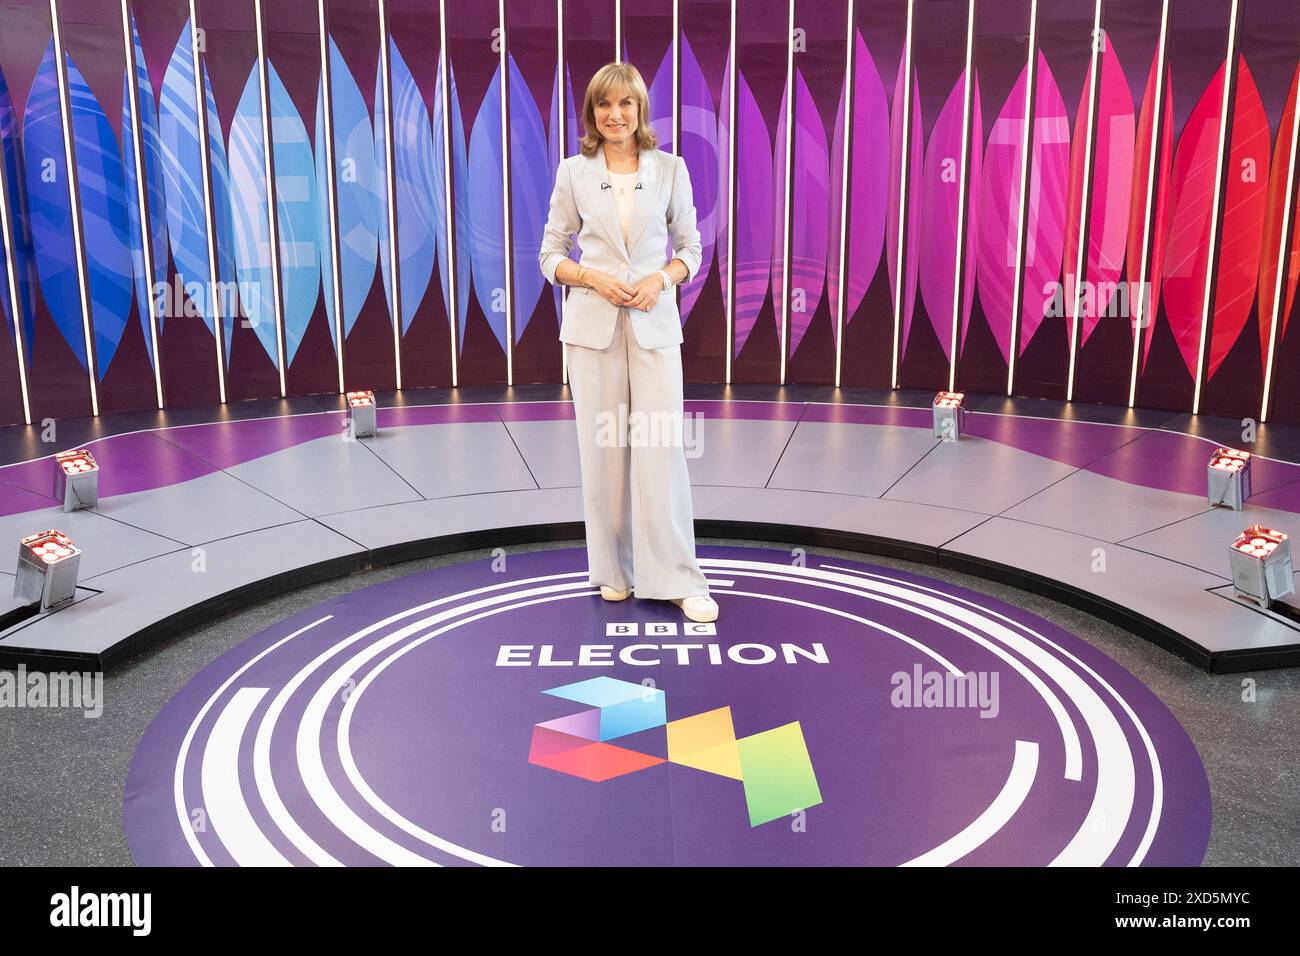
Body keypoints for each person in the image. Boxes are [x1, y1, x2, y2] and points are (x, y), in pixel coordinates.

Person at [537, 61, 718, 624]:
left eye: (625, 104)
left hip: (654, 326)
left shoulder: (670, 169)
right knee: (604, 455)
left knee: (661, 452)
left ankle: (677, 578)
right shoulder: (573, 171)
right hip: (591, 332)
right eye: (603, 105)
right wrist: (590, 276)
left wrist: (659, 279)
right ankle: (612, 571)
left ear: (640, 110)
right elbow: (549, 255)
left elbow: (691, 250)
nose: (614, 115)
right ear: (592, 113)